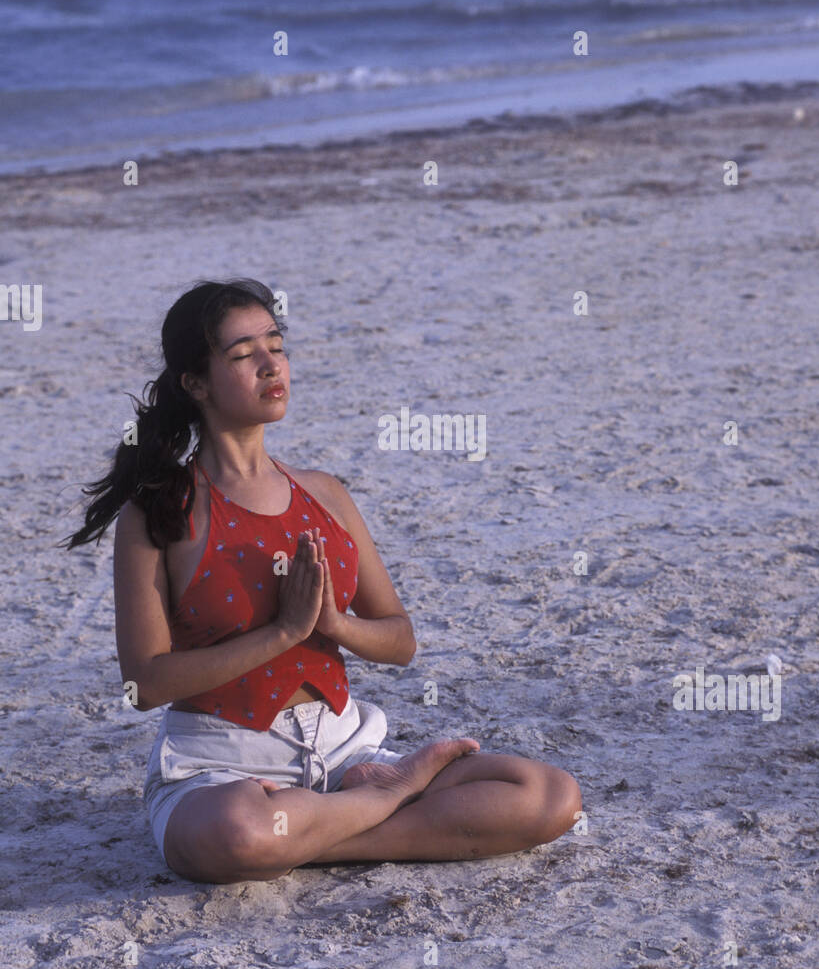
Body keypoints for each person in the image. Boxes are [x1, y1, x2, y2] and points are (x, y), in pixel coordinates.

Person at [64, 278, 581, 883]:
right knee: (237, 834)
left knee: (548, 795)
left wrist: (333, 624)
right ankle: (383, 802)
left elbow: (400, 640)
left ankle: (328, 823)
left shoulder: (325, 494)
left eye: (275, 345)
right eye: (242, 354)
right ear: (195, 383)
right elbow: (145, 685)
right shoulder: (159, 512)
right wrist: (283, 633)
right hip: (223, 766)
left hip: (344, 751)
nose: (269, 364)